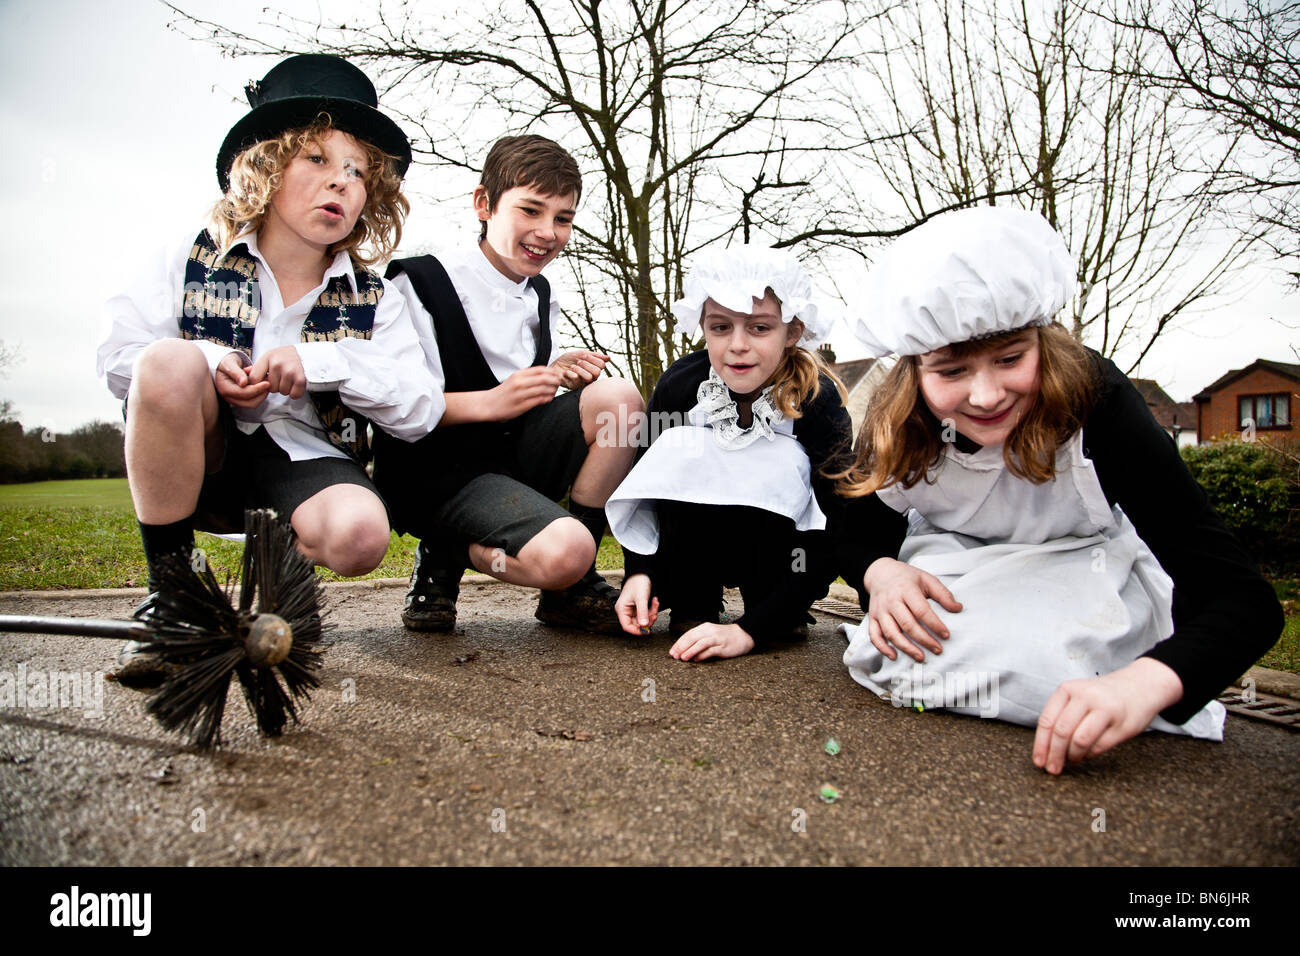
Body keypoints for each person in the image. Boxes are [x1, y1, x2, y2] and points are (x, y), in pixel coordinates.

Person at [835, 206, 1283, 773]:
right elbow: (848, 535)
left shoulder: (1101, 406)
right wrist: (882, 572)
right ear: (914, 372)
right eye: (951, 372)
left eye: (1010, 359)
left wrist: (1145, 683)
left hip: (1088, 564)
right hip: (959, 566)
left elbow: (1244, 599)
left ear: (1042, 342)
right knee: (907, 645)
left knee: (1065, 660)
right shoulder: (900, 425)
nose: (987, 395)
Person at [97, 54, 441, 679]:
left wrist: (324, 363)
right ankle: (172, 592)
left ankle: (277, 584)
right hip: (202, 453)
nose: (341, 182)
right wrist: (209, 361)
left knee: (362, 536)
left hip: (301, 457)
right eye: (317, 160)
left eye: (358, 172)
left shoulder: (375, 295)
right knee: (169, 361)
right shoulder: (186, 254)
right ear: (266, 165)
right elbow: (121, 361)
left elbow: (421, 408)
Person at [372, 135, 644, 634]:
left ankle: (568, 591)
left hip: (508, 459)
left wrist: (557, 370)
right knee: (566, 552)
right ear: (484, 204)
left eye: (563, 218)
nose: (548, 232)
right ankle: (444, 547)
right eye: (531, 210)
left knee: (622, 401)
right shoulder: (419, 282)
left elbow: (515, 379)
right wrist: (492, 402)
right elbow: (396, 406)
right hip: (437, 468)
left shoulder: (541, 291)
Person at [609, 246, 853, 661]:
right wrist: (638, 572)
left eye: (759, 328)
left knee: (781, 457)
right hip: (692, 545)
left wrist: (755, 628)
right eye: (721, 328)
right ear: (702, 327)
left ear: (791, 332)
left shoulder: (817, 398)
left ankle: (775, 603)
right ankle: (692, 596)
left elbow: (838, 518)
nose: (737, 346)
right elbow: (645, 486)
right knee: (683, 448)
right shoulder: (680, 386)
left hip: (783, 559)